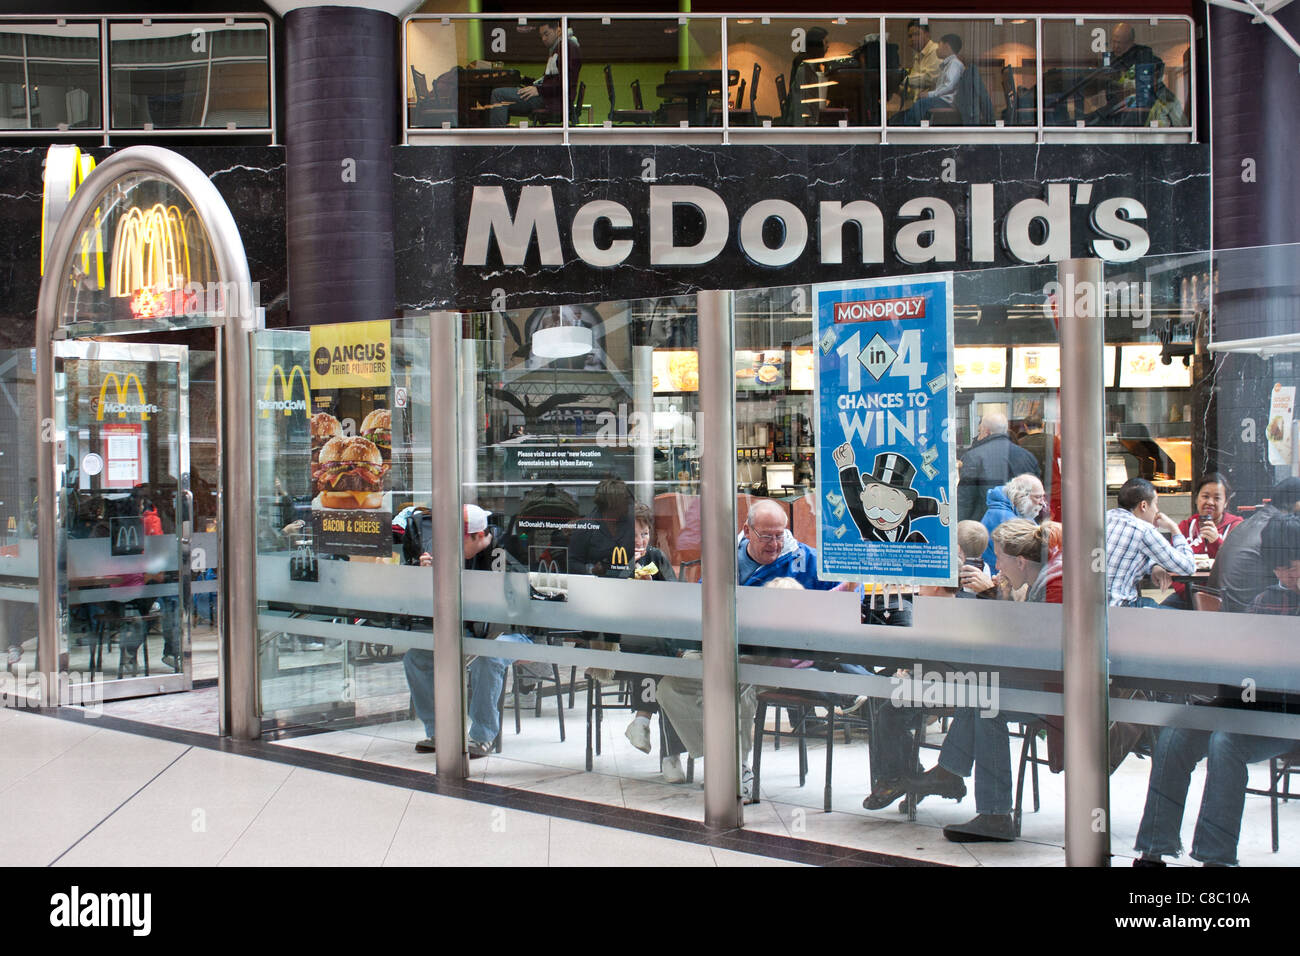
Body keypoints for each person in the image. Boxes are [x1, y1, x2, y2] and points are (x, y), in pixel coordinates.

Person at [1133, 514, 1300, 867]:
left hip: (1290, 716)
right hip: (1254, 705)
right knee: (1176, 734)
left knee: (1226, 743)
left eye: (1295, 569)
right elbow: (1241, 661)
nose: (1288, 578)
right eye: (1281, 570)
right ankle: (1153, 850)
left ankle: (1216, 859)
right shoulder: (1265, 601)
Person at [655, 499, 850, 801]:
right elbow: (705, 606)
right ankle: (721, 758)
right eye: (766, 536)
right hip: (725, 650)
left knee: (738, 685)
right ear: (746, 531)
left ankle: (737, 769)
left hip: (780, 660)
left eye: (780, 534)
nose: (775, 543)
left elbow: (844, 598)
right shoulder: (725, 563)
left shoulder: (806, 560)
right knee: (670, 686)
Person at [905, 519, 1064, 842]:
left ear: (1020, 561)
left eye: (1000, 558)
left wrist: (994, 595)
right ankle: (953, 776)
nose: (996, 564)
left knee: (986, 702)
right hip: (1051, 681)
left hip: (1058, 691)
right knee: (979, 689)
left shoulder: (1051, 584)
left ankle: (993, 813)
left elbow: (1033, 647)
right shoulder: (1045, 577)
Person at [402, 504, 533, 757]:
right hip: (471, 629)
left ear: (478, 535)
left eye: (458, 542)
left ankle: (483, 736)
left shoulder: (509, 552)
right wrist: (428, 575)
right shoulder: (455, 554)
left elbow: (524, 604)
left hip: (514, 631)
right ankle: (439, 731)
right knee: (416, 657)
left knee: (489, 657)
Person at [618, 503, 690, 783]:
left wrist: (653, 586)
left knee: (666, 673)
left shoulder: (656, 557)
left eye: (644, 534)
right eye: (633, 536)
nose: (640, 542)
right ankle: (670, 757)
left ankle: (642, 720)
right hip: (628, 639)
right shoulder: (614, 561)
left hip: (658, 639)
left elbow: (674, 597)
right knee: (665, 663)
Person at [1206, 477, 1300, 614]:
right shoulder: (1278, 532)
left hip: (1224, 610)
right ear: (1296, 505)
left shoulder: (1247, 524)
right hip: (1254, 613)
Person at [1105, 477, 1194, 607]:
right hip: (1121, 609)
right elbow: (1187, 567)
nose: (1157, 510)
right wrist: (1175, 529)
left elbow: (1127, 557)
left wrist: (1154, 566)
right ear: (1144, 506)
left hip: (1094, 611)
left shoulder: (1106, 517)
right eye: (1155, 504)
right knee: (1182, 618)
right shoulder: (1143, 530)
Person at [1161, 472, 1243, 610]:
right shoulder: (1186, 526)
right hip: (1187, 596)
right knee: (1160, 615)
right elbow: (1171, 560)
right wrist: (1188, 594)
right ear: (1196, 498)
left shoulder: (1236, 526)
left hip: (1223, 600)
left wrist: (1216, 542)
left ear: (1226, 502)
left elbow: (1238, 565)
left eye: (1217, 498)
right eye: (1205, 496)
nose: (1210, 502)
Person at [488, 19, 581, 128]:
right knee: (504, 95)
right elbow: (550, 80)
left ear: (558, 30)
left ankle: (498, 139)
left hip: (551, 102)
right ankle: (502, 135)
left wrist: (539, 90)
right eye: (541, 36)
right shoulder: (561, 48)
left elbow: (566, 81)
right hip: (550, 99)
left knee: (498, 95)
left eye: (546, 34)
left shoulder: (567, 48)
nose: (543, 39)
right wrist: (526, 79)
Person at [956, 413, 1040, 522]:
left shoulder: (973, 457)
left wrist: (961, 526)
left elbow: (965, 499)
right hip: (1020, 525)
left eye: (979, 431)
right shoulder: (1027, 456)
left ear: (986, 431)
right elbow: (1035, 494)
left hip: (985, 525)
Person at [890, 33, 964, 126]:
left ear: (947, 46)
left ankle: (908, 128)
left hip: (945, 102)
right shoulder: (948, 65)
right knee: (909, 111)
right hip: (940, 100)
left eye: (939, 45)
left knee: (920, 105)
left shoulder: (954, 64)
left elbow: (949, 86)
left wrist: (929, 94)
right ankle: (897, 123)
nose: (937, 49)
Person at [980, 473, 1047, 573]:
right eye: (1038, 497)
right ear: (1020, 496)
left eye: (1043, 497)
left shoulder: (1016, 513)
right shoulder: (1004, 517)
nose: (1043, 503)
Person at [783, 26, 828, 127]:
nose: (827, 47)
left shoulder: (805, 62)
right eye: (825, 43)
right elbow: (802, 102)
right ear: (817, 46)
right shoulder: (805, 67)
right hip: (803, 123)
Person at [899, 20, 942, 105]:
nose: (913, 39)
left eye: (916, 34)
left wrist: (903, 79)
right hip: (920, 104)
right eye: (910, 36)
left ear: (927, 35)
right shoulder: (919, 56)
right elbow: (914, 87)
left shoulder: (936, 51)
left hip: (933, 105)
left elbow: (930, 78)